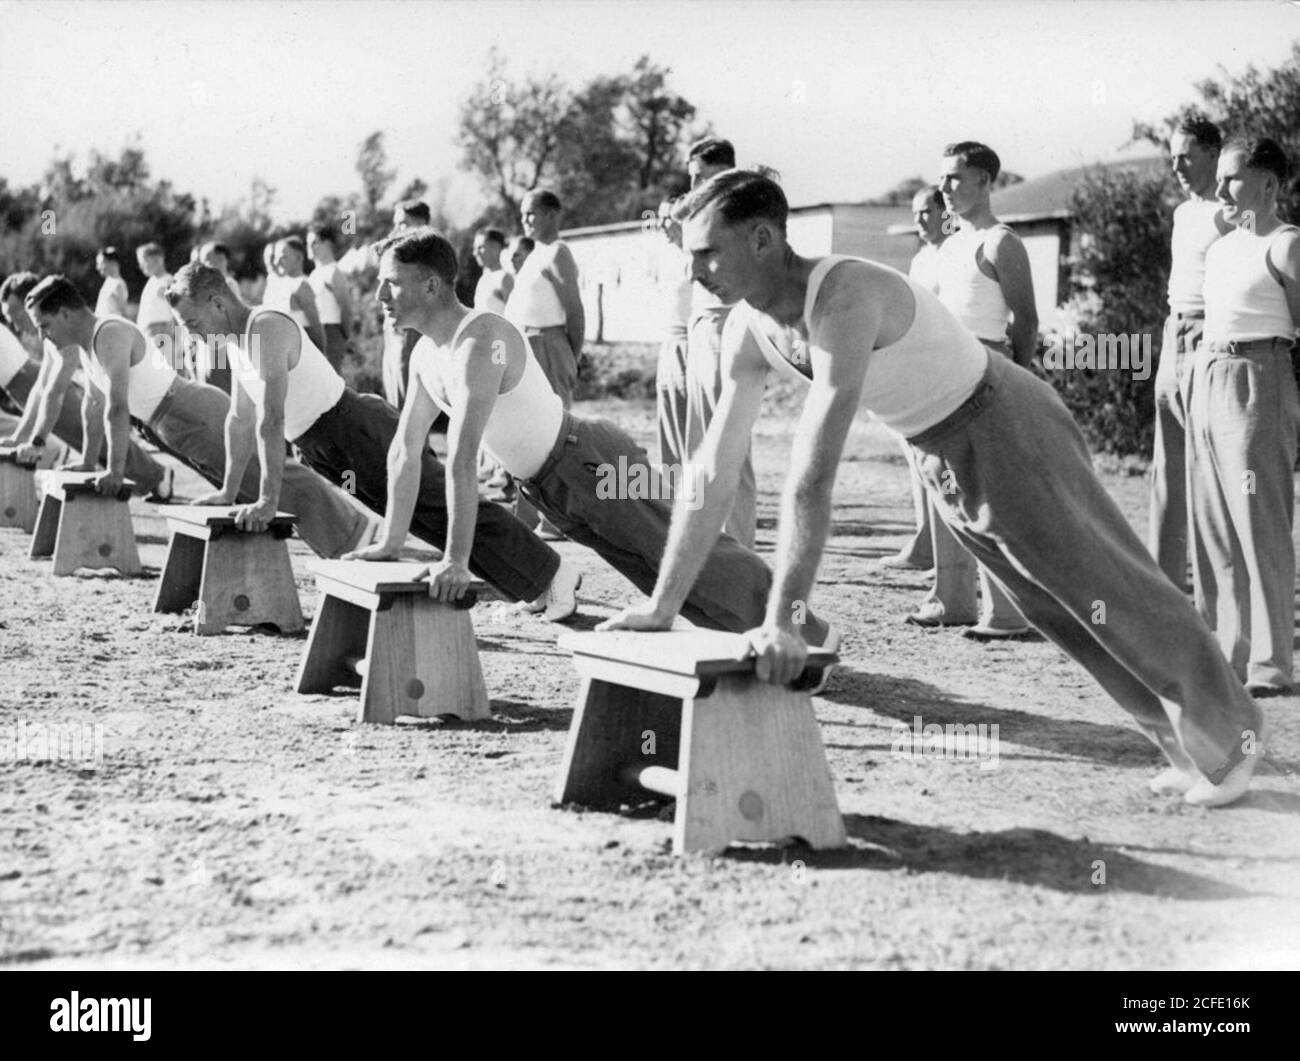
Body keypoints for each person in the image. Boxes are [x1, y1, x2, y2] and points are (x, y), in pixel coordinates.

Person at [601, 170, 1265, 808]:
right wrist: (664, 605)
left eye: (707, 252)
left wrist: (784, 618)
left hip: (1004, 419)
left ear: (763, 240)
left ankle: (1232, 739)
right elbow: (712, 473)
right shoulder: (746, 332)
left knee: (1103, 584)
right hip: (935, 446)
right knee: (1053, 609)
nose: (695, 271)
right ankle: (1186, 747)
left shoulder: (844, 297)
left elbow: (813, 472)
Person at [350, 228, 833, 641]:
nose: (380, 297)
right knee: (655, 575)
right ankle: (756, 643)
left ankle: (809, 634)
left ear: (432, 284)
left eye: (390, 283)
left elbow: (461, 455)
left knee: (692, 555)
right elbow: (405, 448)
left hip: (591, 462)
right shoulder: (426, 354)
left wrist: (456, 559)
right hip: (550, 487)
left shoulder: (481, 340)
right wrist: (391, 540)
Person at [162, 261, 581, 620]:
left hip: (354, 426)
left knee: (437, 501)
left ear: (218, 303)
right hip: (323, 446)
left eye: (193, 325)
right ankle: (534, 585)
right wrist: (227, 493)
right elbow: (240, 419)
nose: (193, 336)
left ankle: (555, 573)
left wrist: (268, 501)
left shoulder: (266, 327)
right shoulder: (235, 343)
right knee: (423, 521)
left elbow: (271, 420)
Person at [23, 275, 371, 556]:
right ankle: (339, 541)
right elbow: (93, 407)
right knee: (246, 491)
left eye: (45, 324)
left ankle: (353, 534)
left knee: (268, 476)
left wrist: (115, 471)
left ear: (66, 314)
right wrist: (87, 462)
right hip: (168, 424)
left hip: (189, 410)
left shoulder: (109, 333)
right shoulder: (87, 348)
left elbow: (116, 408)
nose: (43, 335)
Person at [909, 141, 1039, 639]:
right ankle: (952, 599)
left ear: (986, 182)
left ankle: (1006, 611)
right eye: (943, 177)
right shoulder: (949, 244)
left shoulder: (1001, 243)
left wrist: (1015, 381)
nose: (946, 187)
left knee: (985, 496)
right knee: (944, 489)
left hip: (985, 372)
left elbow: (1025, 321)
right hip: (939, 373)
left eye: (956, 178)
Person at [1188, 136, 1300, 697]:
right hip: (1208, 376)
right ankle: (1231, 653)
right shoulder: (1222, 245)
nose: (1221, 188)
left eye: (1232, 178)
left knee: (1261, 524)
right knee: (1217, 524)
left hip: (1261, 378)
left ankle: (1274, 663)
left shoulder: (1285, 245)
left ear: (1269, 185)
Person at [1149, 116, 1233, 591]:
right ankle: (1162, 586)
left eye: (1185, 155)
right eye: (1173, 155)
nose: (1176, 165)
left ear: (1212, 155)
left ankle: (1212, 594)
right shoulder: (1184, 213)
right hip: (1173, 331)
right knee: (1168, 465)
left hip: (1209, 334)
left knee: (1206, 469)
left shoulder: (1230, 213)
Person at [1, 272, 170, 497]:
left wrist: (37, 441)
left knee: (108, 437)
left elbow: (55, 391)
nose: (14, 323)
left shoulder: (67, 334)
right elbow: (43, 388)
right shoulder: (55, 336)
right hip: (137, 408)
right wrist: (23, 437)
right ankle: (152, 480)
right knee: (97, 435)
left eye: (16, 314)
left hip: (161, 407)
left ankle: (158, 477)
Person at [682, 137, 757, 550]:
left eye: (699, 178)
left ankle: (740, 544)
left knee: (730, 440)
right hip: (701, 324)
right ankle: (708, 539)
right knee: (701, 442)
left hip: (726, 323)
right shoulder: (703, 215)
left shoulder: (735, 215)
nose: (693, 187)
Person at [880, 185, 948, 572]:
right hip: (917, 362)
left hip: (945, 362)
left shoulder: (954, 253)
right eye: (915, 214)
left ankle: (949, 549)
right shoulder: (922, 257)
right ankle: (925, 540)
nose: (920, 221)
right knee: (916, 457)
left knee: (943, 463)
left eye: (926, 212)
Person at [652, 196, 695, 472]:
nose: (662, 225)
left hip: (692, 343)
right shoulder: (667, 259)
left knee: (691, 426)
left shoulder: (699, 258)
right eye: (659, 218)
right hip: (669, 344)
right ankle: (674, 500)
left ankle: (701, 502)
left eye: (668, 218)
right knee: (668, 424)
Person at [380, 199, 432, 408]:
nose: (395, 230)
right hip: (393, 334)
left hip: (411, 332)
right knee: (394, 404)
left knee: (411, 404)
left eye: (402, 223)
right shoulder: (397, 255)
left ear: (421, 225)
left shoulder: (429, 258)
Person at [306, 223, 356, 372]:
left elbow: (346, 308)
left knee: (331, 379)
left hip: (331, 333)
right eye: (308, 243)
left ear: (327, 243)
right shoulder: (314, 274)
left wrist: (344, 336)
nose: (310, 247)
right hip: (314, 332)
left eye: (314, 242)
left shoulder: (334, 272)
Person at [265, 237, 326, 353]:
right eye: (277, 257)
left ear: (298, 257)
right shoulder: (279, 285)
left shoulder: (302, 285)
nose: (277, 262)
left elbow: (316, 327)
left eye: (283, 257)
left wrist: (323, 355)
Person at [134, 243, 175, 350]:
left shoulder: (167, 281)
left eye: (144, 262)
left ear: (158, 260)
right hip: (148, 335)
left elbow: (175, 311)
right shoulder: (152, 281)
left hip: (161, 334)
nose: (141, 266)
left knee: (166, 366)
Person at [471, 228, 515, 313]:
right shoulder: (483, 279)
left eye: (480, 247)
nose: (475, 253)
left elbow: (515, 316)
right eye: (475, 248)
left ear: (496, 248)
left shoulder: (505, 278)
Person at [94, 248, 128, 319]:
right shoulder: (108, 282)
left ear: (112, 262)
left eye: (101, 263)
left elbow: (124, 315)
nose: (98, 267)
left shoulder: (118, 285)